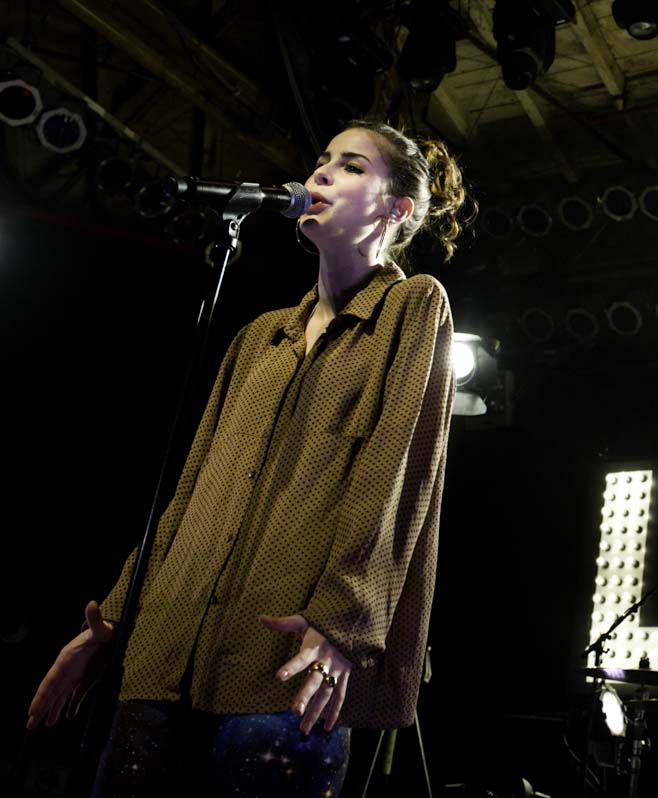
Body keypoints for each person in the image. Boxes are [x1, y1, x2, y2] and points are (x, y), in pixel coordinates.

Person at [26, 119, 470, 796]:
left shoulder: (412, 307)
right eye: (321, 159)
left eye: (351, 166)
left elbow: (397, 475)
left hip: (287, 663)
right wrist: (113, 621)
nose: (320, 173)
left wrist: (345, 623)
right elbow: (189, 494)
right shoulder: (260, 337)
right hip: (167, 647)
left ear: (395, 207)